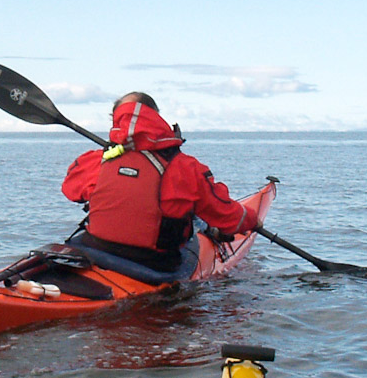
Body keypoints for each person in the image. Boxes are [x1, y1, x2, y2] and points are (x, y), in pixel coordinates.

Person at [61, 92, 260, 272]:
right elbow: (228, 216)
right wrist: (252, 221)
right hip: (154, 263)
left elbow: (70, 189)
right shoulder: (186, 167)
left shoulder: (97, 161)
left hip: (97, 249)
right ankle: (210, 232)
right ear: (155, 116)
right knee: (191, 215)